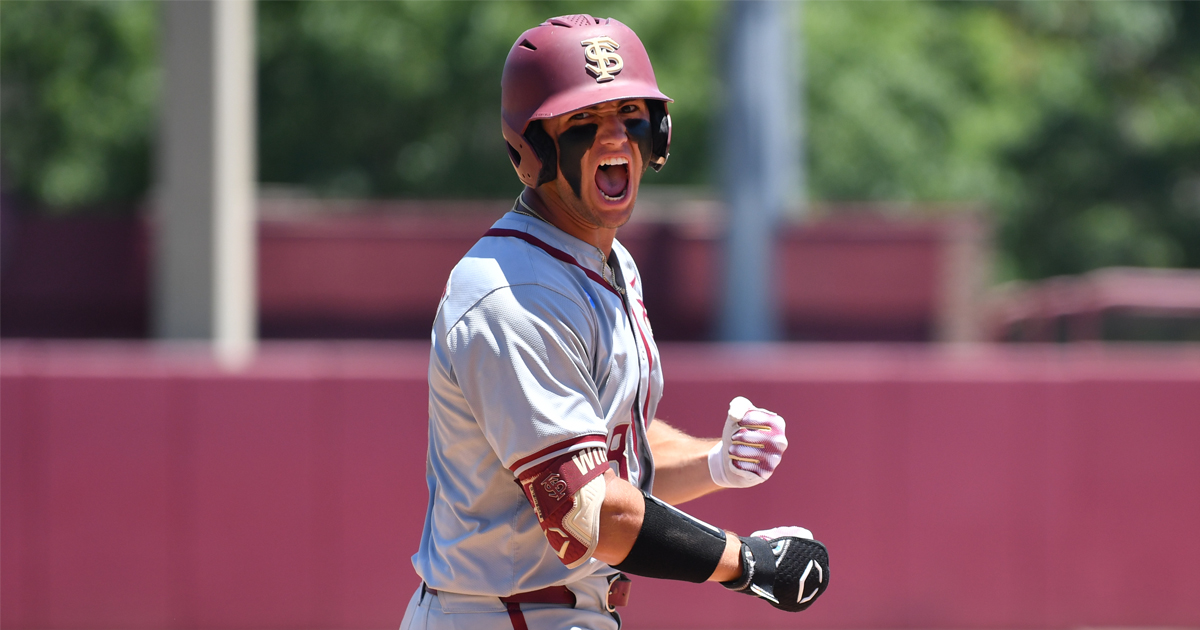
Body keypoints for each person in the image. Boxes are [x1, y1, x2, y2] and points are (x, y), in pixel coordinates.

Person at [402, 14, 828, 630]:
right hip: (500, 617)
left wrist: (714, 460)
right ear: (532, 149)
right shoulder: (514, 293)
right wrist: (748, 564)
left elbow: (609, 447)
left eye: (630, 114)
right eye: (582, 121)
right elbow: (589, 511)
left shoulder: (605, 260)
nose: (615, 138)